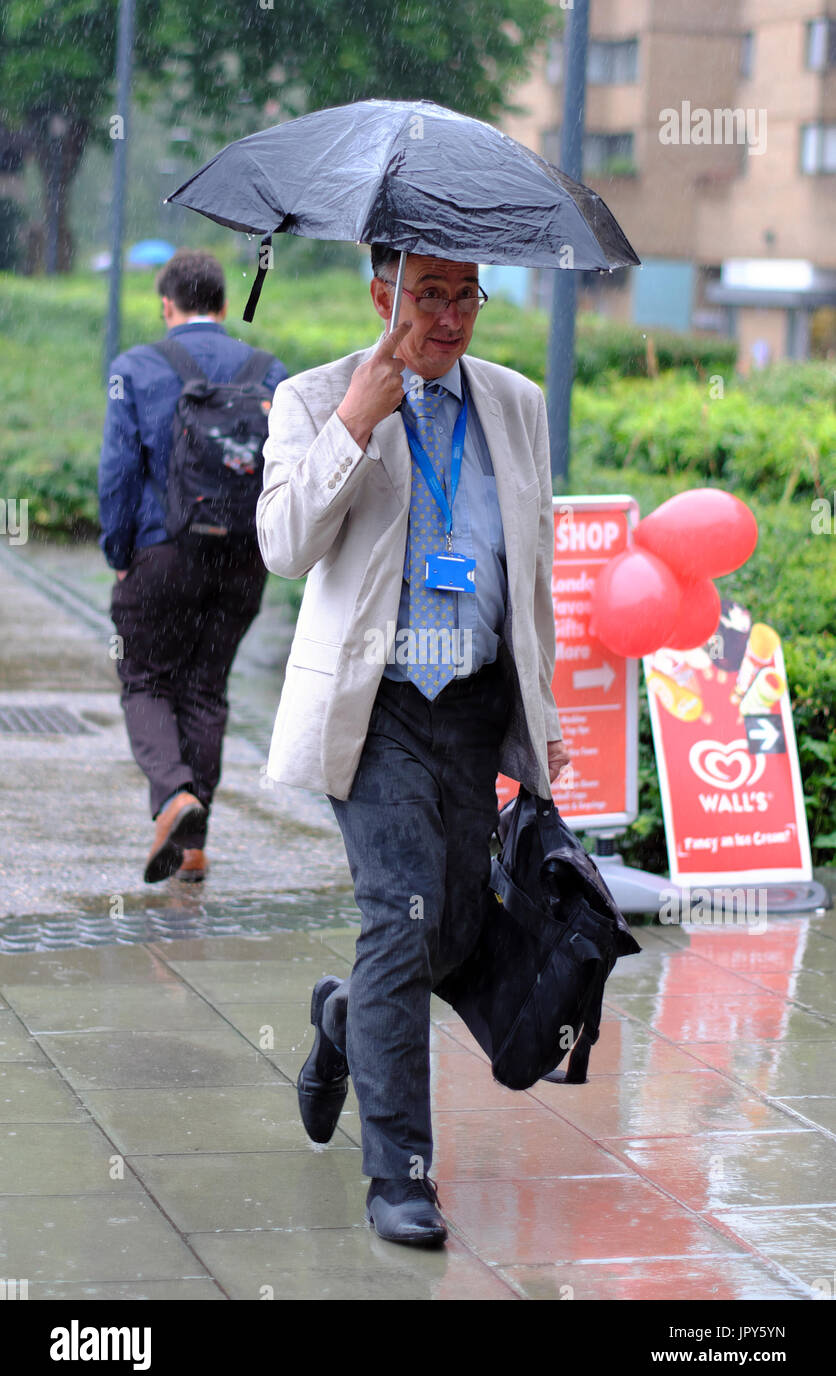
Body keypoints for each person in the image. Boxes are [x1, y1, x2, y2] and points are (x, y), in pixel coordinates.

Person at [257, 245, 569, 1247]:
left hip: (473, 697)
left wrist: (543, 722)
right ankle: (400, 1172)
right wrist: (356, 421)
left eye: (465, 295)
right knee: (400, 918)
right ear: (379, 294)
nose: (449, 316)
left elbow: (534, 571)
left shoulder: (515, 404)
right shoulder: (314, 398)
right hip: (377, 701)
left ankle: (349, 1020)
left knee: (456, 930)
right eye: (428, 295)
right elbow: (282, 543)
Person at [98, 249, 287, 883]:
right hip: (243, 555)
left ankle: (175, 795)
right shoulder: (268, 371)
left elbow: (119, 472)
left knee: (147, 680)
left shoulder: (136, 368)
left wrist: (119, 553)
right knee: (206, 688)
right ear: (225, 307)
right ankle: (193, 845)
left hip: (162, 550)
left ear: (166, 304)